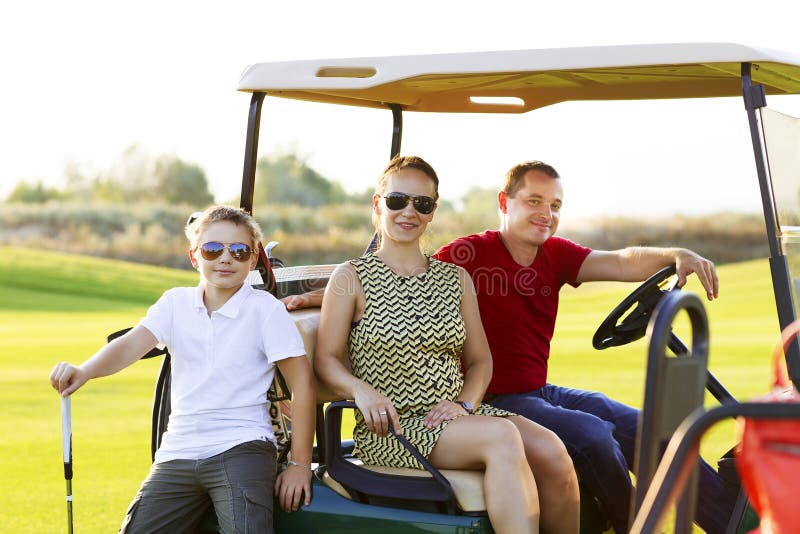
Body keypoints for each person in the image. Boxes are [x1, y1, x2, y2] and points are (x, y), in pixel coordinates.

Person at [433, 161, 736, 534]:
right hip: (491, 401)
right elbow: (410, 280)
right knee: (593, 433)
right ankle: (632, 526)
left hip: (538, 392)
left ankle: (731, 524)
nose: (546, 214)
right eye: (534, 201)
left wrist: (675, 254)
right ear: (504, 202)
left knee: (648, 427)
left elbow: (621, 261)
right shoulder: (468, 254)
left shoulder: (555, 255)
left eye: (555, 206)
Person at [313, 155, 580, 534]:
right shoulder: (350, 277)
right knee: (503, 438)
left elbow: (480, 362)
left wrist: (464, 404)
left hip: (454, 415)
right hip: (393, 425)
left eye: (422, 204)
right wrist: (360, 390)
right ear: (378, 204)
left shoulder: (455, 278)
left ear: (432, 211)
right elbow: (326, 360)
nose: (409, 212)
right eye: (397, 201)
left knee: (552, 450)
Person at [49, 205, 315, 534]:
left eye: (239, 251)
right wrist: (84, 370)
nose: (225, 258)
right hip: (179, 450)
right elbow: (131, 345)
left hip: (242, 445)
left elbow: (302, 384)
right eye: (213, 249)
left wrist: (300, 464)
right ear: (194, 257)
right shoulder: (174, 303)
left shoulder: (265, 310)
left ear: (252, 258)